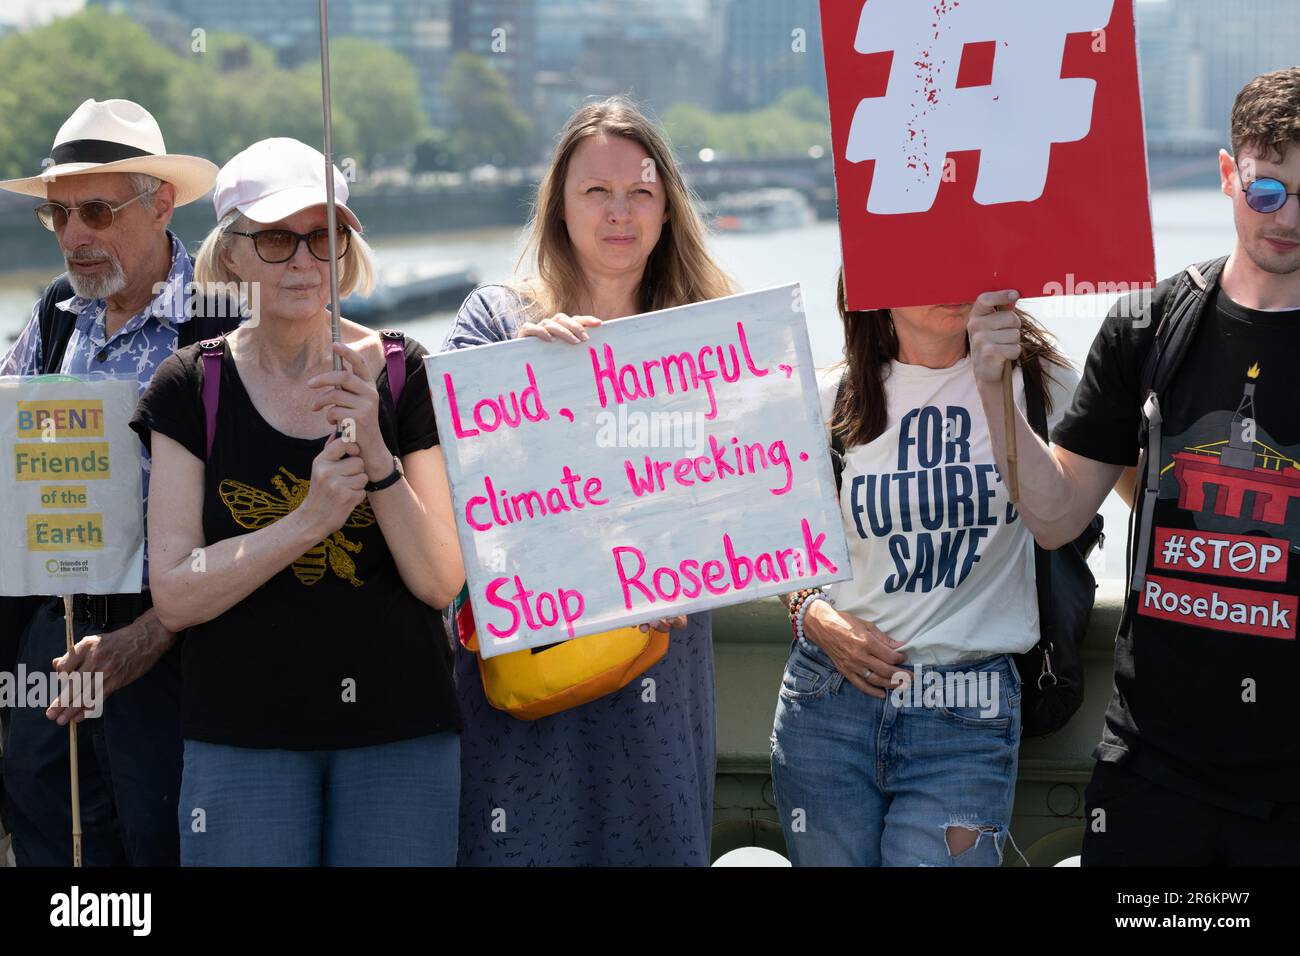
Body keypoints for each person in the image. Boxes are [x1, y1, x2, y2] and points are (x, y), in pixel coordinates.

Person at [968, 67, 1300, 866]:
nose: (1288, 218)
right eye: (1267, 192)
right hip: (1153, 773)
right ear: (1229, 177)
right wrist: (992, 390)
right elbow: (1055, 516)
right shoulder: (1147, 325)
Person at [132, 137, 464, 866]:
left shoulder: (406, 373)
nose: (306, 261)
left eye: (325, 237)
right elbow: (178, 595)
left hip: (401, 735)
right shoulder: (190, 387)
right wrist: (310, 519)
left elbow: (442, 579)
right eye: (279, 239)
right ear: (232, 254)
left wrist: (379, 456)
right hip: (243, 741)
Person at [443, 96, 735, 865]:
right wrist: (528, 380)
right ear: (559, 208)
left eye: (640, 191)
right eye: (595, 192)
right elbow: (458, 491)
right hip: (533, 671)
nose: (619, 212)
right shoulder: (494, 322)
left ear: (667, 209)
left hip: (656, 674)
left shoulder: (712, 338)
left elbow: (744, 497)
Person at [770, 272, 1080, 866]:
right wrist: (812, 612)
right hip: (829, 701)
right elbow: (775, 544)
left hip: (967, 711)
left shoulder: (1039, 383)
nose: (949, 278)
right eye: (923, 261)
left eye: (963, 259)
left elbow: (1138, 484)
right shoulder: (833, 396)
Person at [0, 98, 221, 866]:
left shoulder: (223, 321)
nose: (74, 236)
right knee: (46, 825)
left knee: (158, 833)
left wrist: (159, 629)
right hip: (53, 625)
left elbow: (264, 507)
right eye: (58, 215)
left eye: (95, 210)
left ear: (161, 203)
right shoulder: (57, 313)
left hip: (178, 631)